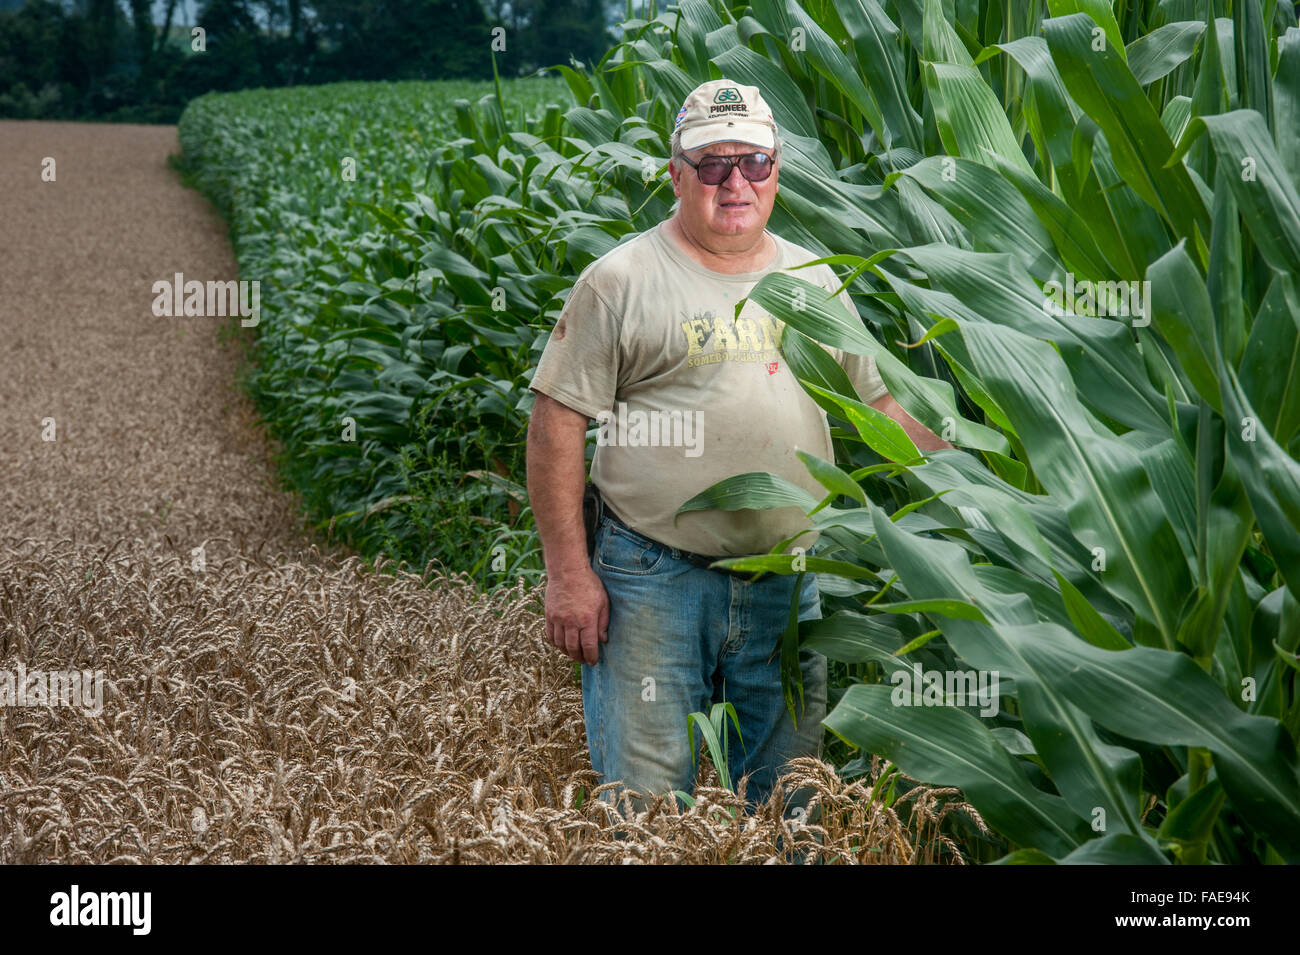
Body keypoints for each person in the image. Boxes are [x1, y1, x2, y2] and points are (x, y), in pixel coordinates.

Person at [525, 78, 949, 817]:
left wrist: (971, 474)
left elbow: (880, 404)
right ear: (676, 174)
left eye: (752, 162)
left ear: (778, 169)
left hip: (785, 585)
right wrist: (567, 574)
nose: (735, 182)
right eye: (713, 164)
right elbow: (556, 420)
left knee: (790, 812)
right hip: (650, 580)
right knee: (645, 816)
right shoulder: (622, 280)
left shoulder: (813, 280)